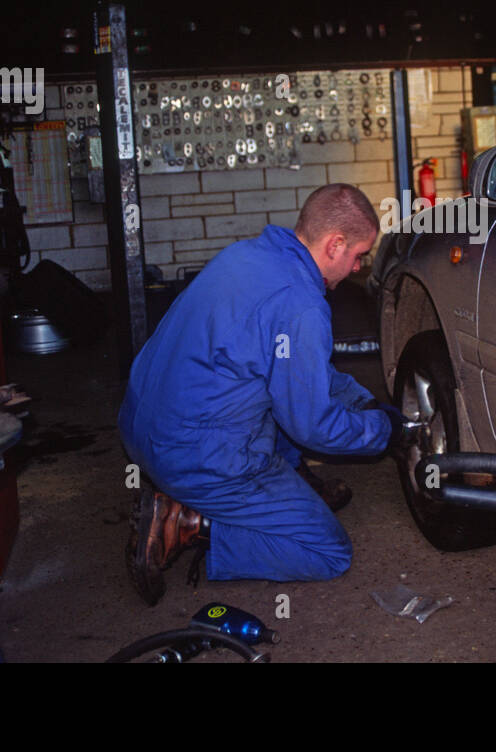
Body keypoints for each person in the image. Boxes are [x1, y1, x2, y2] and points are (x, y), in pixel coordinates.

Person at [119, 183, 406, 603]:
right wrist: (383, 430)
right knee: (327, 551)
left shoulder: (246, 255)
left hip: (140, 427)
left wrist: (361, 400)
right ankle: (188, 523)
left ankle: (292, 485)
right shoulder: (302, 305)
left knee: (270, 387)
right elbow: (315, 426)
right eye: (358, 255)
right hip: (193, 456)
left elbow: (297, 370)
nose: (359, 267)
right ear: (335, 243)